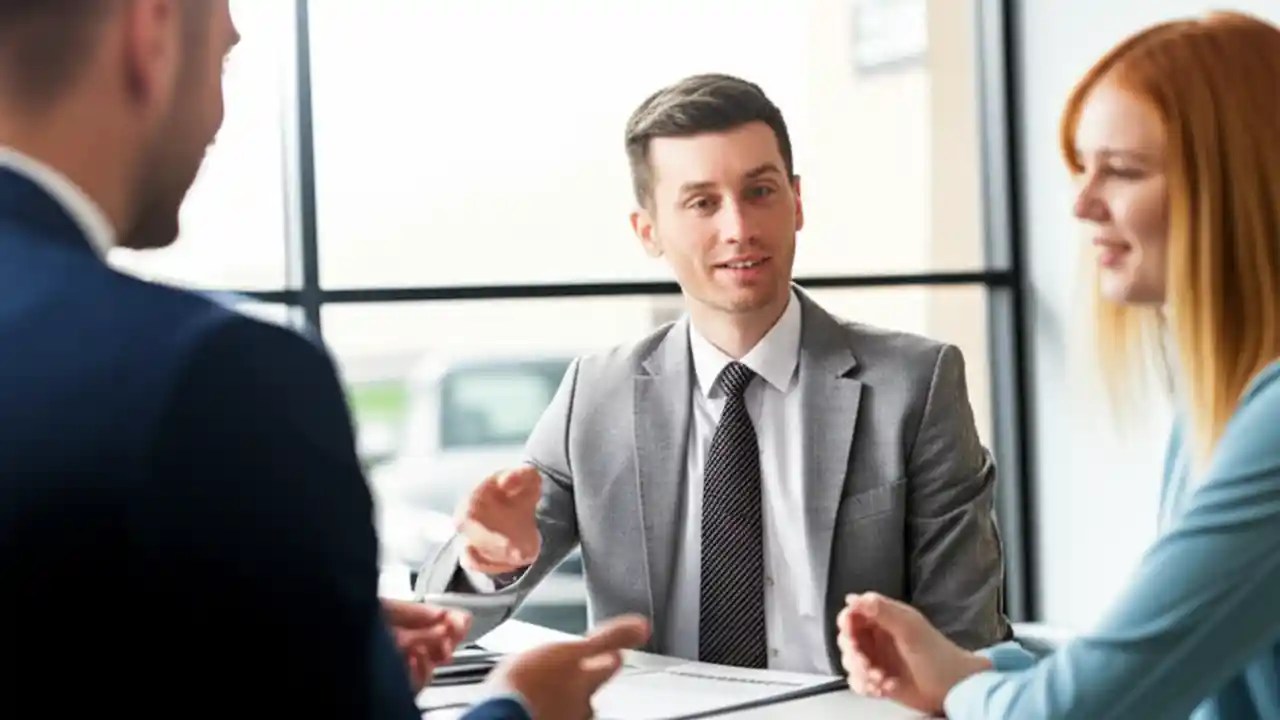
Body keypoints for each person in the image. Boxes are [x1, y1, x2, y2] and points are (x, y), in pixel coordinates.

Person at [0, 2, 646, 718]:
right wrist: (520, 710)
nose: (218, 120)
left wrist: (316, 637)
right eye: (222, 59)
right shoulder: (216, 374)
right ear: (149, 31)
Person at [440, 72, 1010, 674]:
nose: (738, 227)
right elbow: (449, 619)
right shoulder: (596, 395)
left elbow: (967, 644)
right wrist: (487, 558)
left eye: (760, 191)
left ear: (797, 203)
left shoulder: (914, 386)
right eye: (702, 202)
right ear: (648, 231)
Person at [836, 10, 1280, 719]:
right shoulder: (1216, 402)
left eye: (1123, 171)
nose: (1081, 203)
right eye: (1082, 167)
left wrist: (963, 688)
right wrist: (978, 666)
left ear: (1237, 189)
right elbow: (1153, 655)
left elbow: (1077, 713)